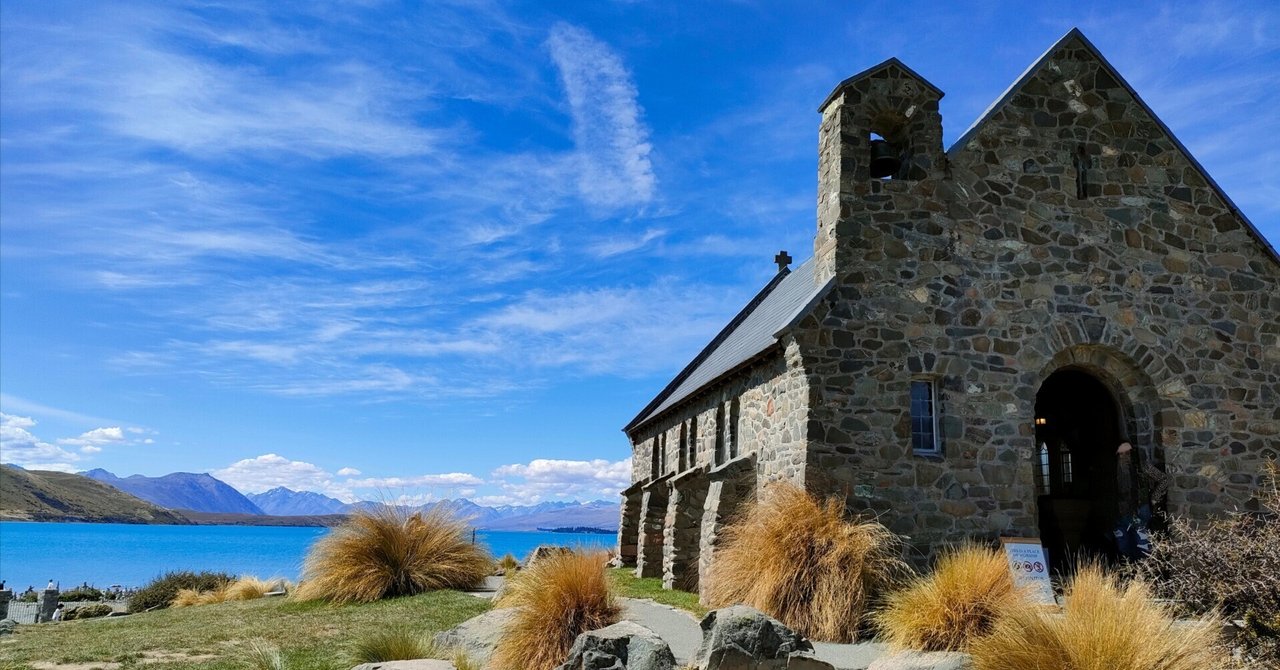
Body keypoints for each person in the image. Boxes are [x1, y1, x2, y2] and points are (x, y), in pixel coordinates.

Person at [1113, 440, 1170, 560]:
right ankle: (1131, 575)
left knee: (1143, 548)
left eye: (1127, 453)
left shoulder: (1143, 466)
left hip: (1140, 512)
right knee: (1124, 550)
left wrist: (1154, 497)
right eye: (1121, 453)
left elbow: (1164, 479)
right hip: (1120, 516)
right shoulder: (1113, 471)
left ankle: (1144, 575)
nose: (1125, 456)